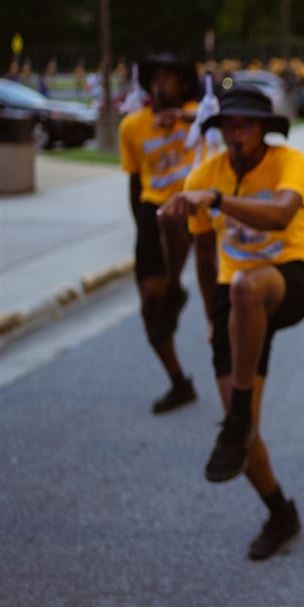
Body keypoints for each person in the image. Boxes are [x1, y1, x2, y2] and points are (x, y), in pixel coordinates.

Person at [159, 84, 304, 561]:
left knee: (249, 287)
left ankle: (235, 417)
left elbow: (281, 215)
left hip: (290, 277)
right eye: (230, 123)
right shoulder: (205, 173)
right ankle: (280, 511)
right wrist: (211, 313)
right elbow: (205, 253)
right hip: (234, 299)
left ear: (264, 129)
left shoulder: (291, 162)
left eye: (247, 123)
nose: (237, 131)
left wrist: (216, 200)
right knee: (244, 437)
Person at [118, 54, 202, 414]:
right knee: (151, 312)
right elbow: (134, 180)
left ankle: (174, 285)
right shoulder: (132, 127)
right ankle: (179, 382)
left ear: (183, 84)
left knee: (173, 219)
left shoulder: (198, 115)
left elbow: (219, 120)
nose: (160, 83)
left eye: (169, 77)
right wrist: (139, 225)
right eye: (155, 77)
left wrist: (182, 117)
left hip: (191, 207)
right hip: (152, 211)